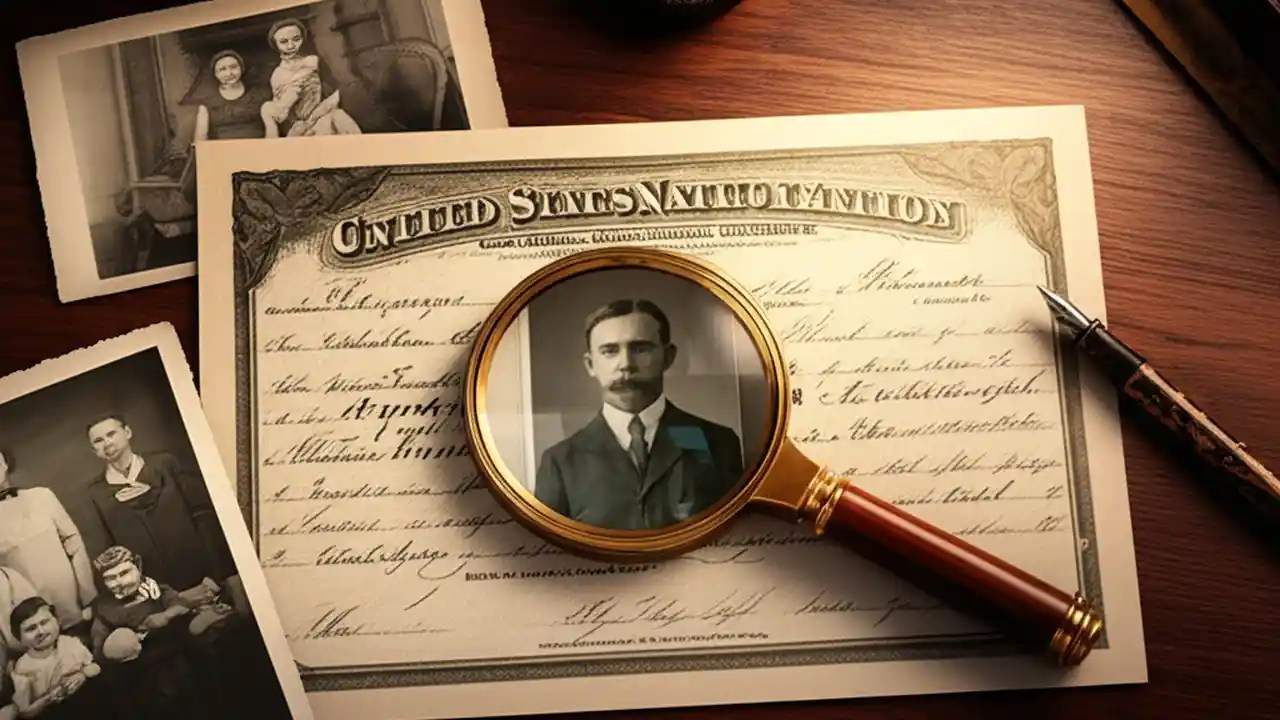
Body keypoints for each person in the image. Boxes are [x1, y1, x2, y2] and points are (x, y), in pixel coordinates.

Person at [534, 298, 745, 529]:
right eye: (609, 351)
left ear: (668, 357)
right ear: (590, 365)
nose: (625, 364)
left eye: (640, 349)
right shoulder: (561, 463)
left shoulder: (717, 443)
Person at [83, 415, 233, 592]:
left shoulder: (164, 464)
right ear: (94, 451)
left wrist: (217, 573)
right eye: (98, 441)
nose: (106, 443)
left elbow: (203, 516)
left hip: (204, 574)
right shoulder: (96, 492)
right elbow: (110, 547)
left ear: (127, 432)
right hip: (156, 588)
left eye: (111, 434)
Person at [0, 447, 96, 635]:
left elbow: (74, 545)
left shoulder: (41, 496)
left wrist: (88, 596)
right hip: (31, 624)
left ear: (4, 464)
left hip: (76, 607)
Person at [261, 19, 362, 137]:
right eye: (284, 42)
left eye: (296, 39)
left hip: (322, 116)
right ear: (276, 44)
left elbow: (334, 94)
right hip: (296, 130)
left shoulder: (313, 62)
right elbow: (280, 113)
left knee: (339, 118)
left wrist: (313, 120)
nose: (291, 45)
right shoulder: (277, 75)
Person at [8, 597, 101, 719]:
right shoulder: (23, 668)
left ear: (56, 621)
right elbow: (26, 712)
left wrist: (83, 674)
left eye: (44, 622)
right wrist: (52, 696)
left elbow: (95, 667)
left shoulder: (71, 643)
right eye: (31, 629)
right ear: (19, 637)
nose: (40, 632)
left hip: (88, 702)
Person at [193, 50, 270, 143]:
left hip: (257, 150)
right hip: (223, 154)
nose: (229, 73)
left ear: (241, 68)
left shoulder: (259, 94)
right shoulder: (207, 103)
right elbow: (201, 140)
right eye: (222, 69)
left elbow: (271, 129)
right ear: (215, 74)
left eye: (233, 67)